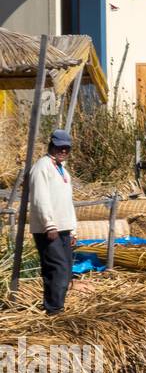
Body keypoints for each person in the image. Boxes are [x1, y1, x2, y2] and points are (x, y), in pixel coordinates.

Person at [28, 129, 77, 315]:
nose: (63, 151)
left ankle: (56, 306)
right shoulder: (42, 167)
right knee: (57, 269)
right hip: (49, 229)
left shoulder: (62, 169)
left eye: (66, 148)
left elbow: (67, 202)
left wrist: (73, 230)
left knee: (65, 270)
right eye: (59, 147)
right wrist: (49, 224)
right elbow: (41, 198)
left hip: (63, 228)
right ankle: (54, 310)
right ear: (51, 145)